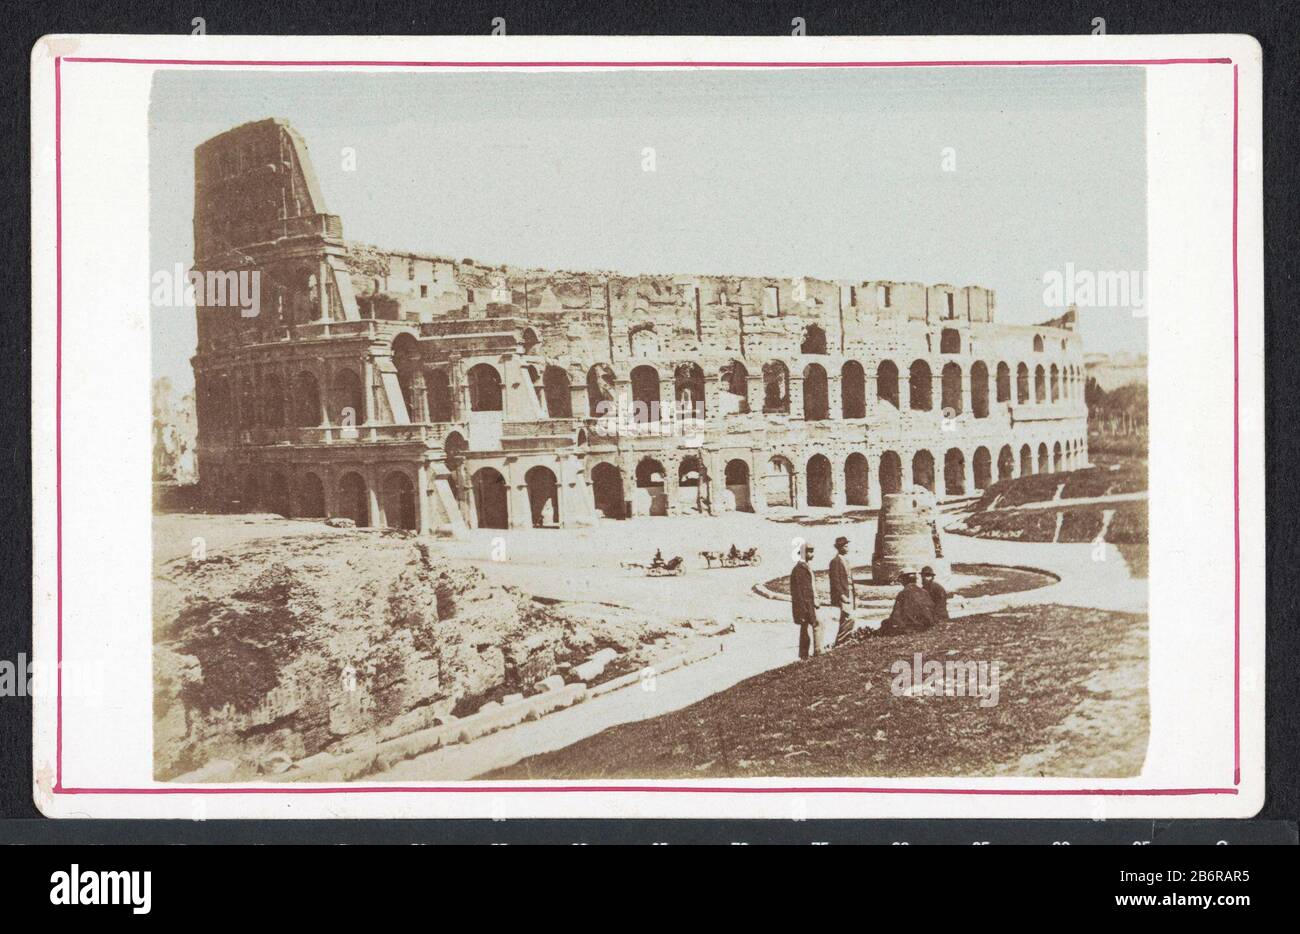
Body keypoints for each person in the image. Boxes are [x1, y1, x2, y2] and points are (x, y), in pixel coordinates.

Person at [879, 568, 935, 635]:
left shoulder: (903, 593)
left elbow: (895, 615)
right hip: (927, 625)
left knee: (885, 623)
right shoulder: (925, 592)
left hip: (913, 627)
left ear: (904, 580)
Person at [790, 544, 821, 659]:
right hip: (804, 605)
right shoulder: (799, 569)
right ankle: (808, 654)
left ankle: (807, 654)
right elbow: (798, 592)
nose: (812, 554)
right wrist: (803, 609)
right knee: (806, 629)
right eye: (810, 552)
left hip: (809, 603)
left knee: (809, 628)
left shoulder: (806, 567)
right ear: (804, 554)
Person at [829, 535, 856, 645]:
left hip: (849, 592)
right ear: (839, 548)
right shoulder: (835, 561)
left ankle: (845, 640)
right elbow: (835, 581)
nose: (847, 548)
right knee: (849, 617)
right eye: (845, 546)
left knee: (847, 617)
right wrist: (842, 596)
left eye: (847, 546)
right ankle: (841, 641)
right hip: (843, 594)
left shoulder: (846, 560)